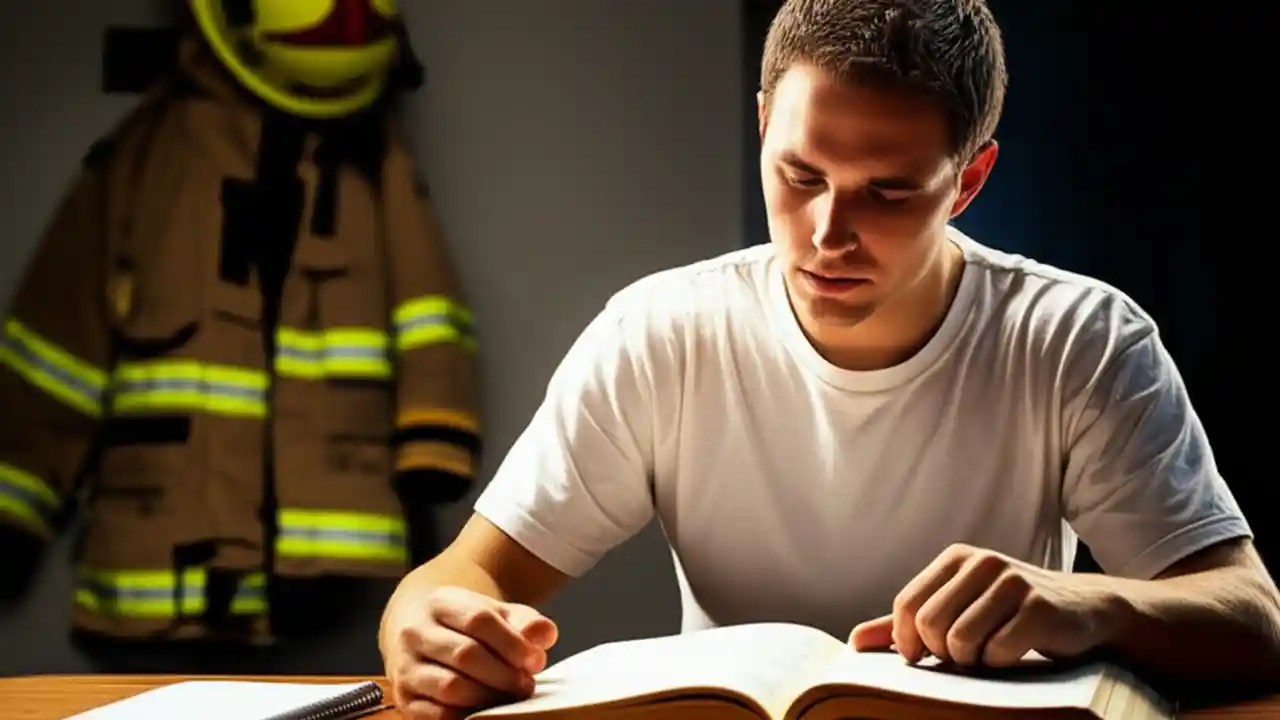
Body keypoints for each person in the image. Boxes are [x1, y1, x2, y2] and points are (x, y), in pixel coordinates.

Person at [377, 0, 1280, 717]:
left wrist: (1087, 605)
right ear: (766, 123)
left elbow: (1255, 619)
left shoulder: (1079, 339)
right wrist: (425, 628)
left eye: (888, 192)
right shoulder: (661, 331)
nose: (828, 234)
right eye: (800, 175)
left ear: (969, 180)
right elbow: (462, 575)